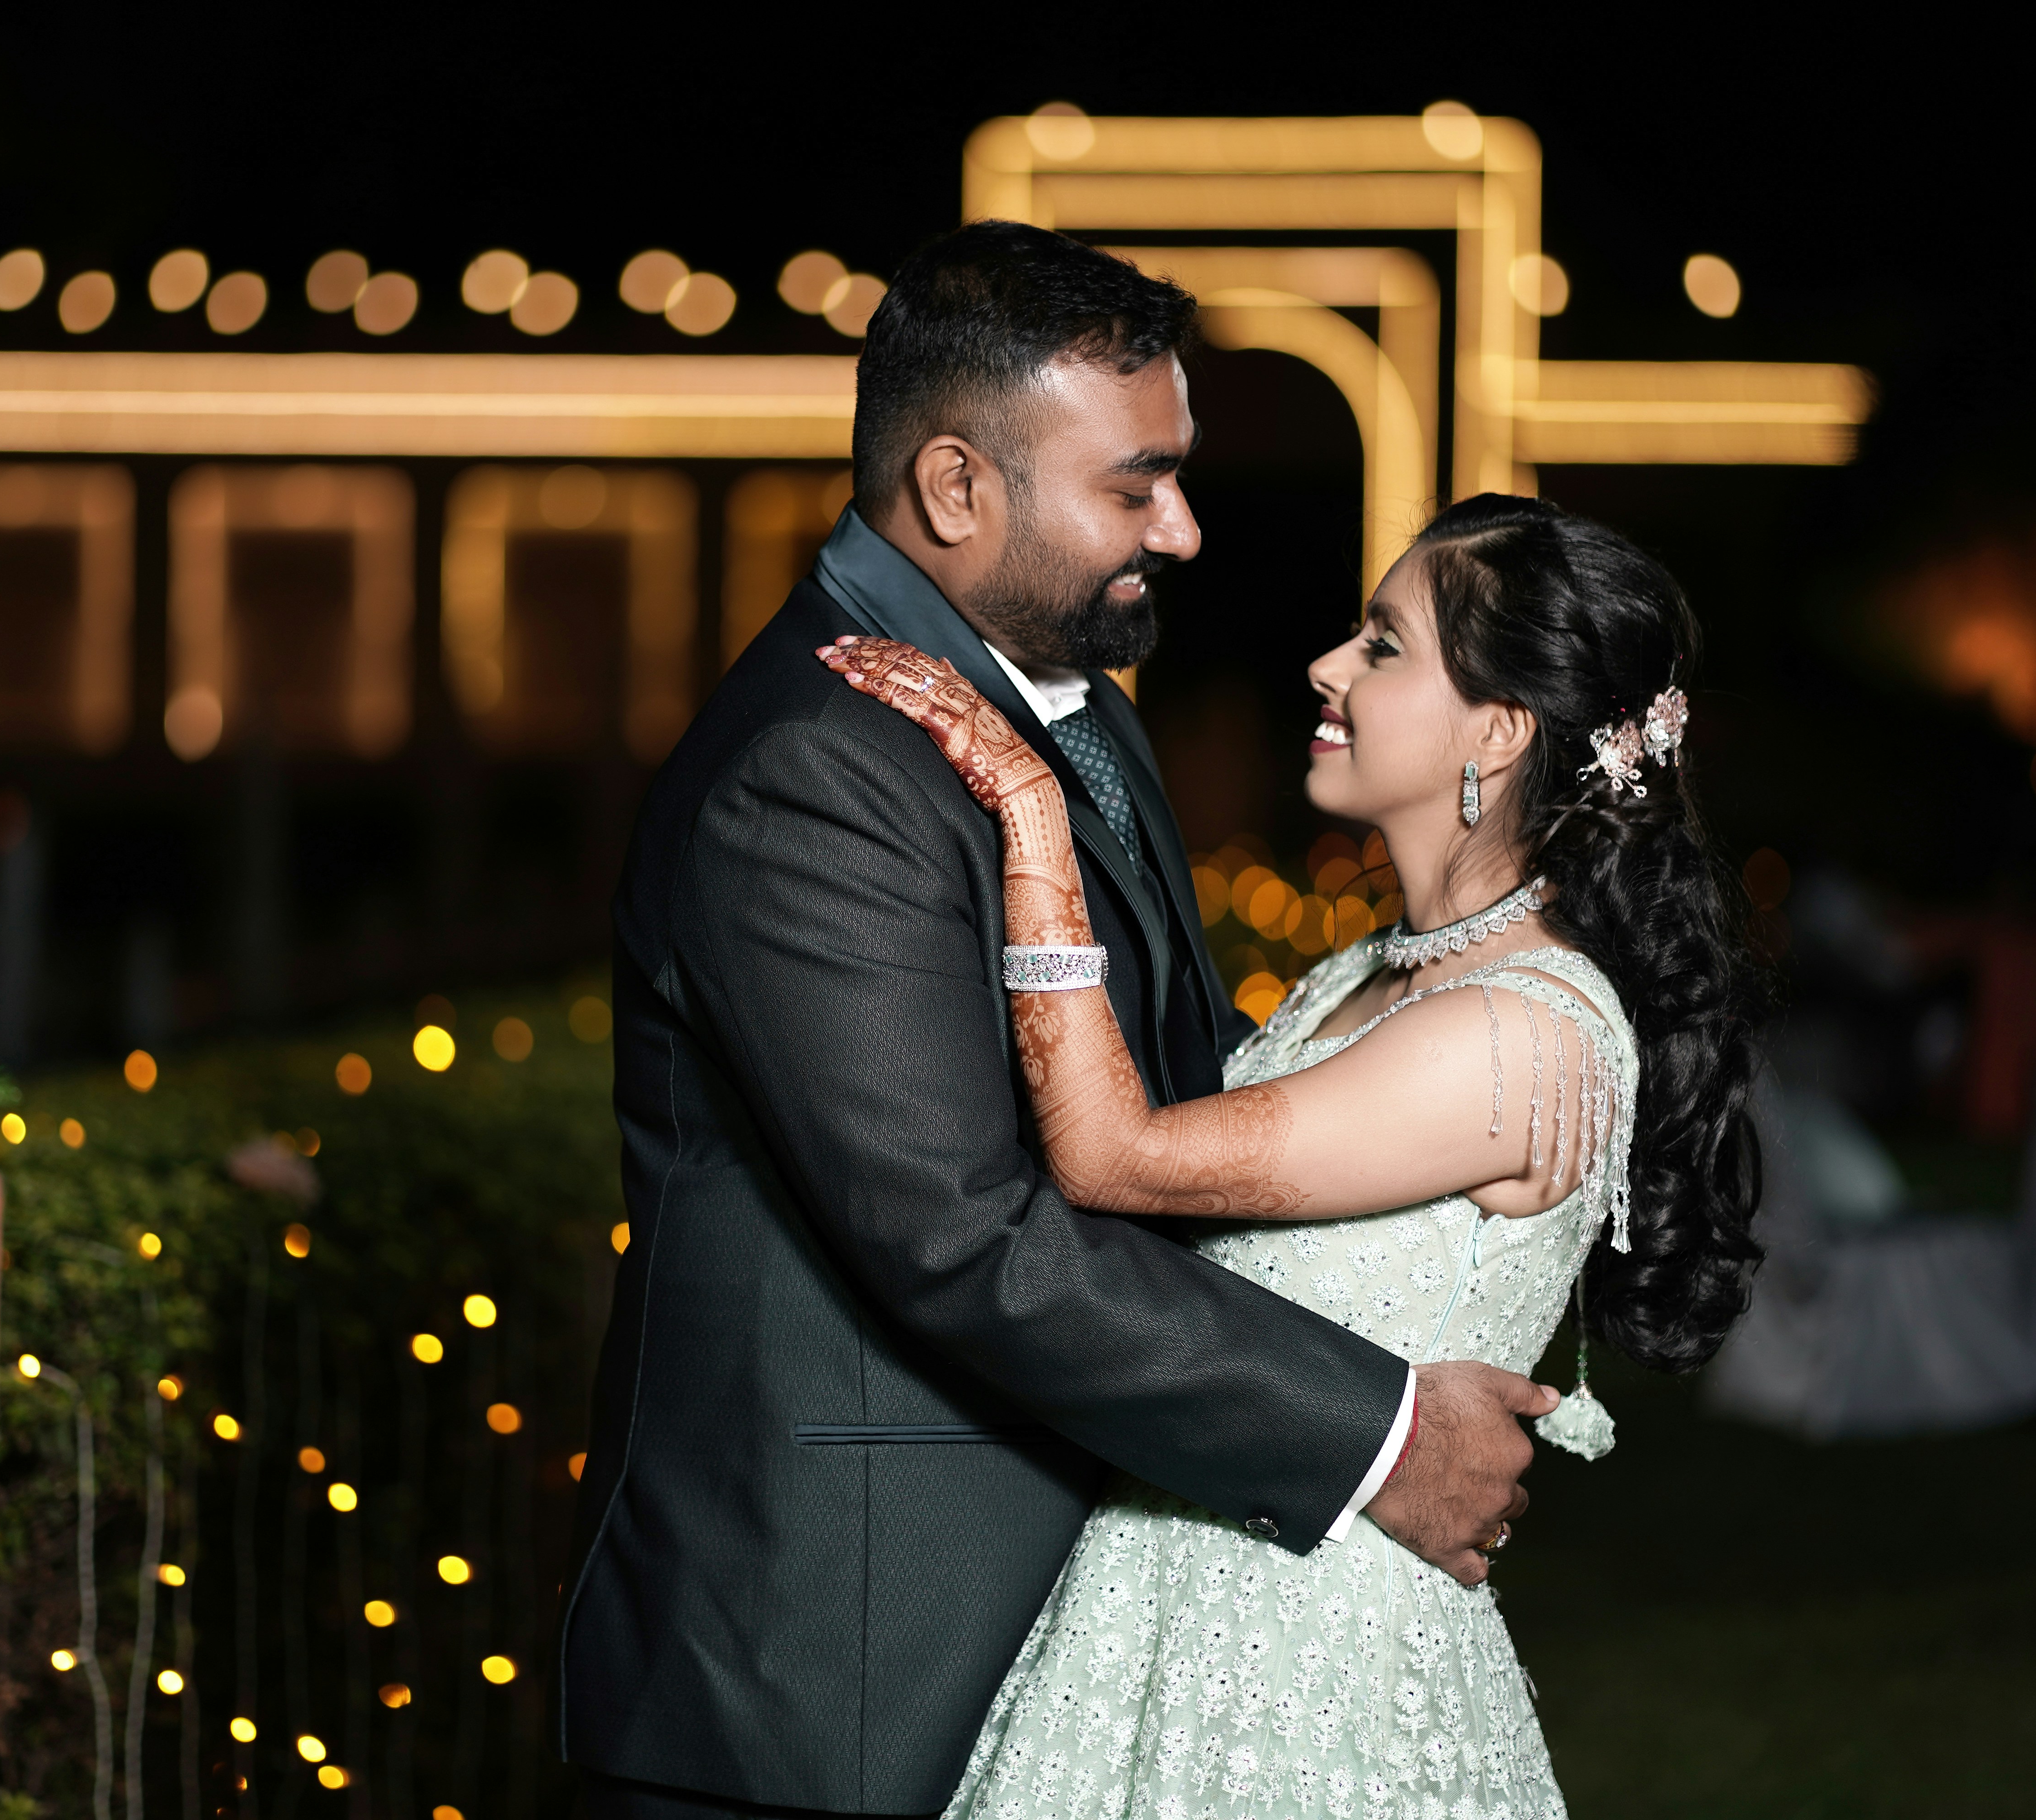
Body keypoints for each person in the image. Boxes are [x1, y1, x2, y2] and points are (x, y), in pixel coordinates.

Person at [560, 223, 1564, 1818]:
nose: (1182, 527)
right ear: (956, 489)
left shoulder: (1080, 715)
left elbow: (1160, 1127)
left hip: (1058, 1632)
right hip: (840, 1679)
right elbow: (965, 1236)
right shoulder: (819, 772)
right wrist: (1374, 1434)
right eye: (1132, 484)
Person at [820, 490, 1766, 1813]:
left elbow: (1114, 1157)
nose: (1328, 665)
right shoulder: (1370, 977)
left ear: (1497, 730)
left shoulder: (1511, 1033)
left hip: (1311, 1656)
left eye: (1384, 646)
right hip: (1175, 1590)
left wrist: (1030, 824)